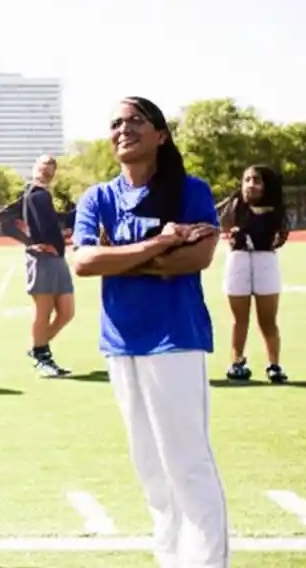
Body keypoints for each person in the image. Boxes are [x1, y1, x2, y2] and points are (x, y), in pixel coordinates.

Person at [71, 96, 229, 568]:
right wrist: (159, 244)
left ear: (161, 135)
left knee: (187, 462)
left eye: (136, 121)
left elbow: (197, 257)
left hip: (174, 337)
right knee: (150, 468)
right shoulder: (98, 198)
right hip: (121, 342)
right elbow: (84, 261)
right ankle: (172, 558)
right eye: (116, 123)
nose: (124, 129)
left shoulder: (190, 191)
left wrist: (119, 259)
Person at [0, 155, 76, 378]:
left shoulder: (45, 195)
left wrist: (63, 234)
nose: (46, 170)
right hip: (41, 259)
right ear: (34, 169)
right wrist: (30, 242)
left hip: (57, 257)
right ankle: (42, 356)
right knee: (43, 311)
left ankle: (37, 348)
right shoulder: (32, 194)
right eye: (42, 166)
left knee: (67, 312)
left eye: (50, 167)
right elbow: (1, 219)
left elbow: (52, 222)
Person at [218, 164, 290, 383]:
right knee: (239, 319)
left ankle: (274, 365)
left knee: (267, 320)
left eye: (256, 180)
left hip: (265, 261)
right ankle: (237, 362)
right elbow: (222, 225)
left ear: (267, 185)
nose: (250, 185)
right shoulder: (235, 205)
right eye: (247, 180)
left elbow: (280, 236)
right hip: (238, 260)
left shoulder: (275, 211)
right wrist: (233, 228)